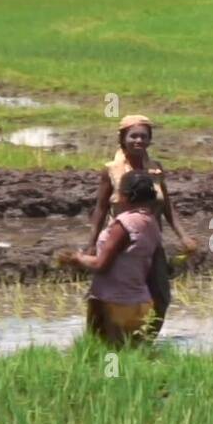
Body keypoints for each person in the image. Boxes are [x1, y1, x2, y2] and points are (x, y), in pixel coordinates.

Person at [87, 114, 196, 337]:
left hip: (150, 242)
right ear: (122, 139)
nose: (138, 141)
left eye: (143, 137)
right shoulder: (111, 170)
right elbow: (100, 209)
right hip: (120, 242)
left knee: (161, 295)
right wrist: (90, 244)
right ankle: (103, 340)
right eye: (133, 136)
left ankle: (144, 341)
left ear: (150, 140)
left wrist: (183, 236)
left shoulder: (155, 169)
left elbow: (166, 206)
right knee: (112, 295)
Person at [64, 170, 163, 346]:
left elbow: (101, 264)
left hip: (114, 304)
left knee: (110, 357)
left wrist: (77, 258)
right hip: (140, 302)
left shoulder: (124, 224)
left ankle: (111, 374)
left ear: (123, 195)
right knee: (131, 356)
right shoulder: (151, 222)